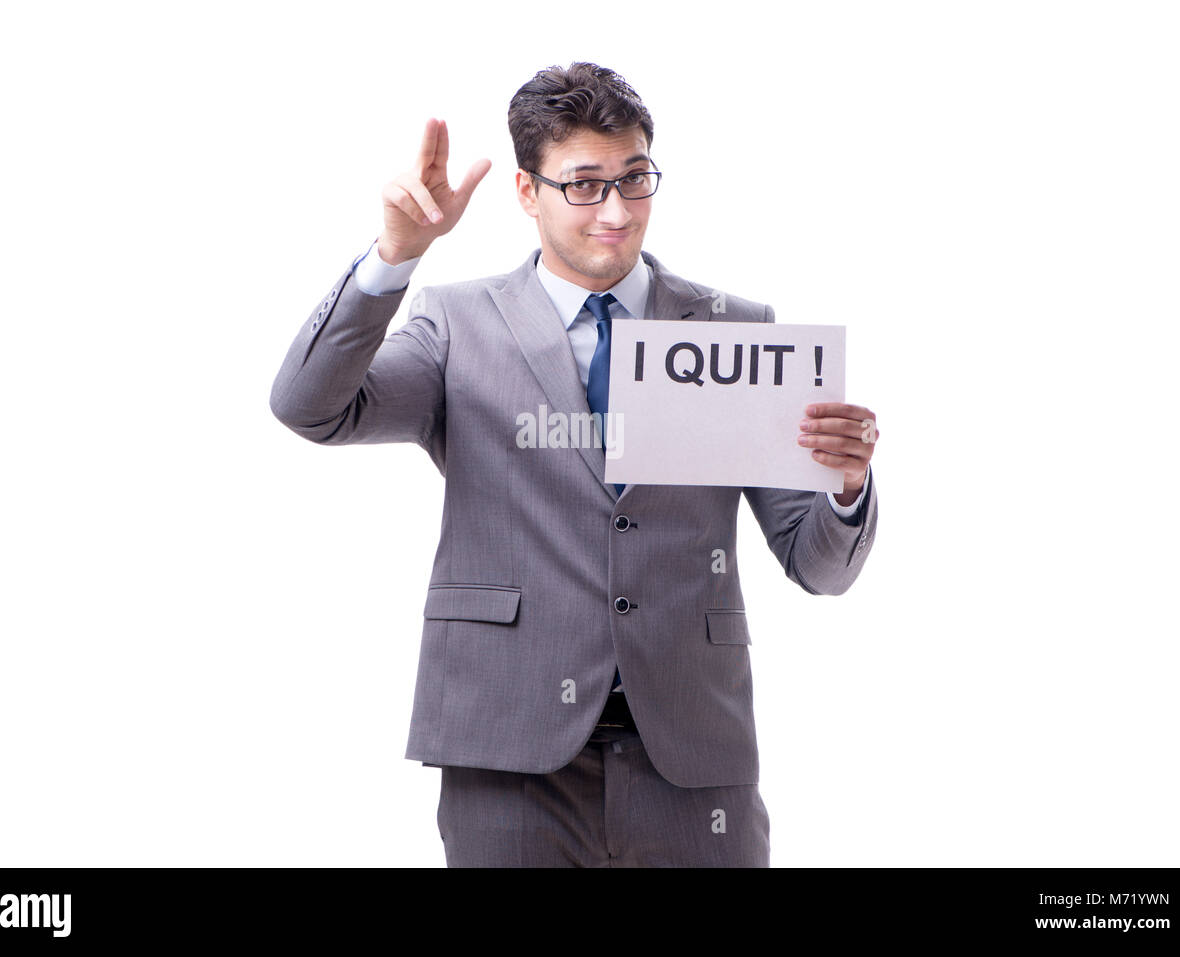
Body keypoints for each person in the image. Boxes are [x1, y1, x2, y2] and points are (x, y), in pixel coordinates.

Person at [269, 62, 879, 867]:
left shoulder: (739, 333)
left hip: (692, 760)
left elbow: (819, 568)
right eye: (585, 184)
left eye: (635, 178)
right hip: (510, 751)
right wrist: (392, 259)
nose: (618, 211)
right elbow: (309, 406)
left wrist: (846, 489)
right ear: (527, 192)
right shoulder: (457, 325)